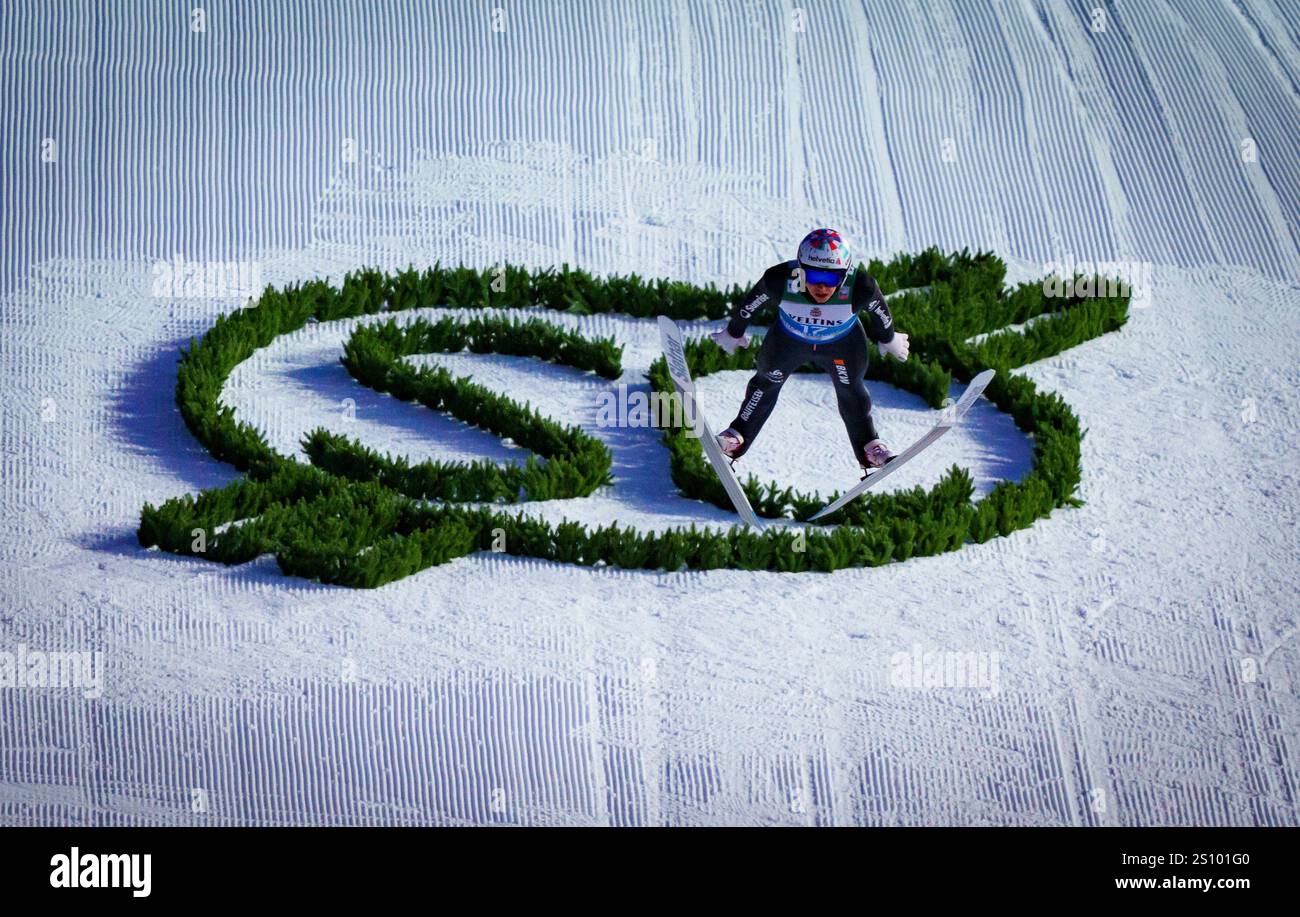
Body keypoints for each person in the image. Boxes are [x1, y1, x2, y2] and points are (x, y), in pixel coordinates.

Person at [709, 228, 910, 475]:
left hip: (842, 346)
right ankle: (737, 435)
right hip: (788, 342)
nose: (823, 287)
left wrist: (889, 339)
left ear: (845, 274)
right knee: (765, 383)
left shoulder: (861, 286)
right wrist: (734, 332)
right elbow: (750, 305)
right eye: (813, 276)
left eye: (833, 278)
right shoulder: (780, 279)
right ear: (800, 269)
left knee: (850, 390)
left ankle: (870, 447)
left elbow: (881, 313)